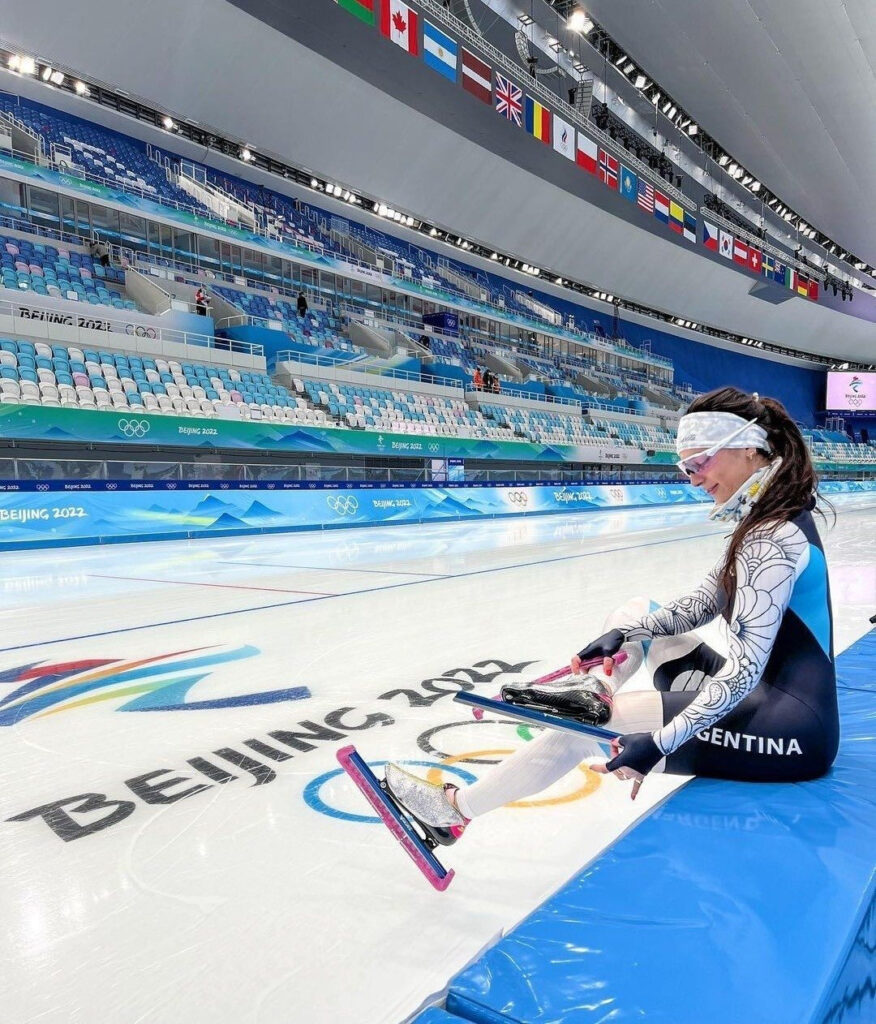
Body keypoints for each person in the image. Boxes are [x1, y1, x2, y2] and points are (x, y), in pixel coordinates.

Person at [381, 387, 838, 846]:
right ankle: (594, 692)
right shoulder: (765, 516)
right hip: (768, 698)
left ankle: (454, 812)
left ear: (747, 447)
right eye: (685, 469)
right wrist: (623, 635)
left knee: (588, 730)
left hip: (791, 731)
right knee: (637, 612)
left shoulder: (772, 539)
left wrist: (658, 743)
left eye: (699, 463)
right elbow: (701, 604)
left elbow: (742, 674)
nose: (693, 480)